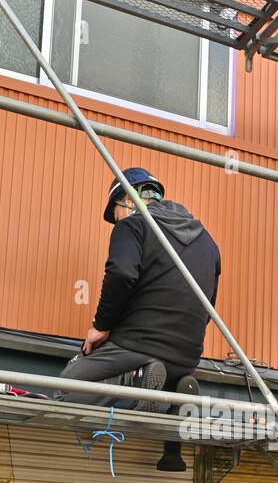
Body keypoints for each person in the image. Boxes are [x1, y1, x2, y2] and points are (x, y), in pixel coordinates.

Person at [58, 166, 221, 411]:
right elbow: (208, 307)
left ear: (125, 199)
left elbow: (121, 274)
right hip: (187, 358)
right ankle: (176, 401)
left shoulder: (133, 225)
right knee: (164, 385)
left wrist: (101, 325)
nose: (117, 222)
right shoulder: (209, 243)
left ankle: (135, 379)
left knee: (65, 389)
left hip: (138, 347)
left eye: (115, 215)